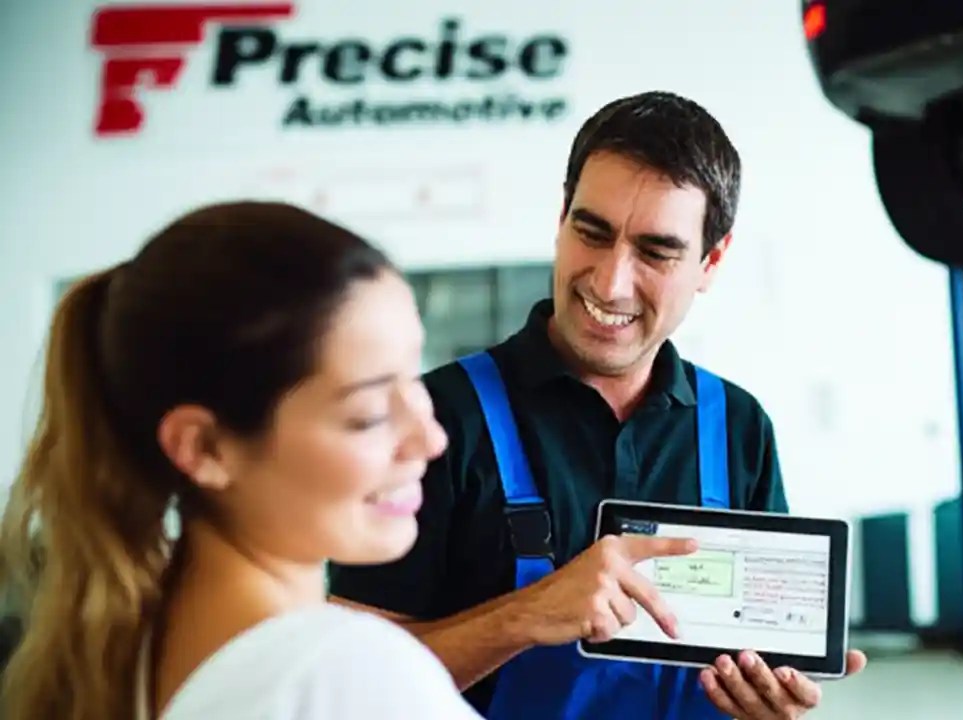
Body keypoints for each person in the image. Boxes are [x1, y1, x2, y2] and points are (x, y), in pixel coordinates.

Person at [329, 90, 867, 719]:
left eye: (656, 251)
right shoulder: (433, 421)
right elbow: (348, 680)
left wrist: (763, 704)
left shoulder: (739, 428)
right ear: (562, 218)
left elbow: (754, 654)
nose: (610, 281)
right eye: (593, 232)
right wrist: (526, 615)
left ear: (710, 261)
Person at [0, 202, 483, 720]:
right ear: (204, 448)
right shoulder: (345, 673)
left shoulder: (131, 643)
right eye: (366, 415)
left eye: (414, 376)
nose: (430, 440)